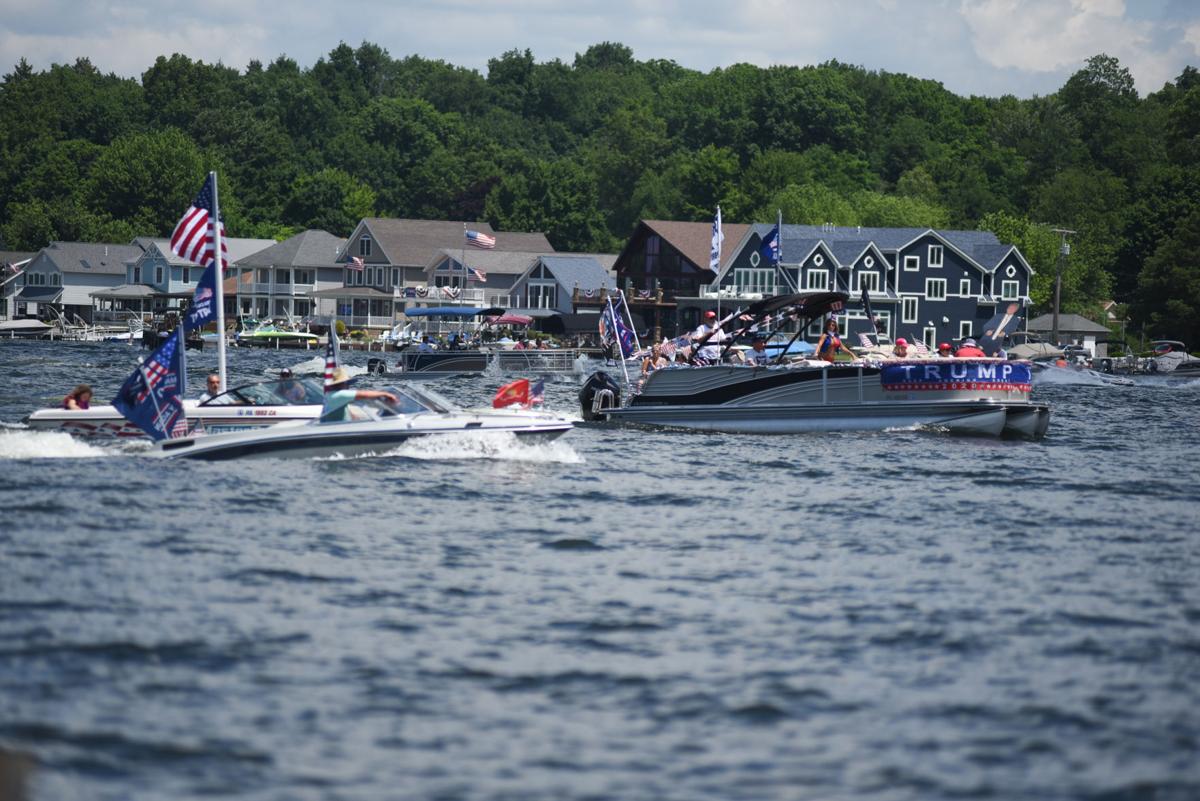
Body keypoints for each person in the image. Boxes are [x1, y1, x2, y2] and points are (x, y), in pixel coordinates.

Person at [321, 367, 398, 423]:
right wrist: (386, 394)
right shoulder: (339, 395)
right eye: (347, 383)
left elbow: (345, 412)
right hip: (339, 431)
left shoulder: (330, 394)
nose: (348, 386)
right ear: (341, 384)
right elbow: (363, 394)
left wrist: (357, 418)